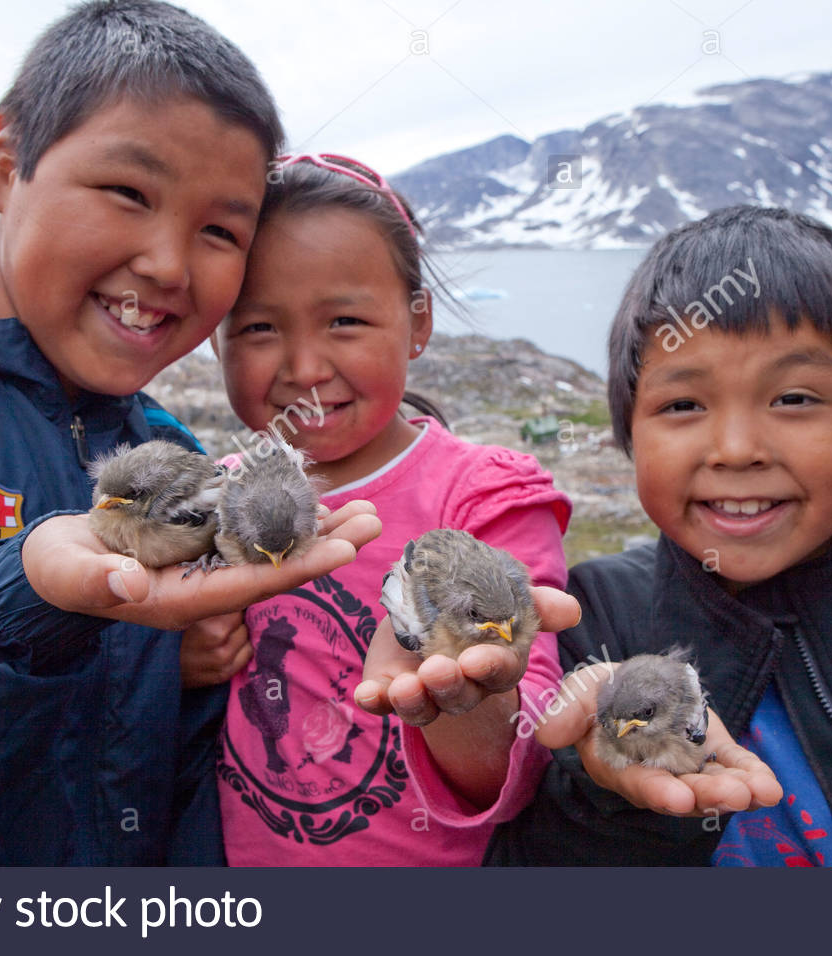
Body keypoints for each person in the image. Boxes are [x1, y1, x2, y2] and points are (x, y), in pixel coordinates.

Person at [0, 0, 380, 865]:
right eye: (127, 192)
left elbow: (181, 796)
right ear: (4, 162)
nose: (167, 263)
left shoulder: (181, 464)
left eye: (220, 231)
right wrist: (19, 605)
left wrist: (190, 679)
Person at [485, 204, 832, 865]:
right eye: (684, 405)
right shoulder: (578, 629)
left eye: (794, 399)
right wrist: (609, 796)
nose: (736, 448)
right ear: (628, 435)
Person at [192, 153, 572, 864]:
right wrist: (182, 661)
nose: (304, 367)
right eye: (258, 328)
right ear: (217, 339)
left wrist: (464, 699)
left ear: (417, 322)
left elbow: (518, 768)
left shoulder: (482, 495)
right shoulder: (219, 497)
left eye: (344, 320)